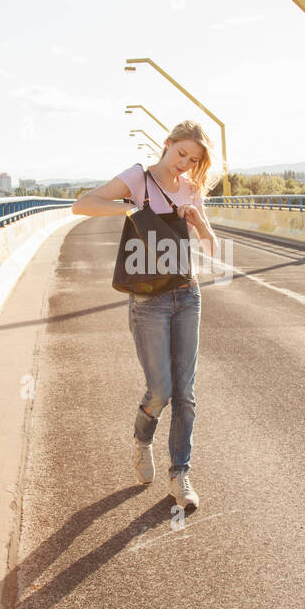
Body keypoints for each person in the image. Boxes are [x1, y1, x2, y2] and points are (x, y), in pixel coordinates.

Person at [71, 121, 220, 509]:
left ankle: (180, 476)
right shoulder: (138, 177)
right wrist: (132, 208)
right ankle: (142, 440)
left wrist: (198, 221)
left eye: (193, 160)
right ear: (166, 145)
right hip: (148, 300)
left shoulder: (190, 188)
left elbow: (212, 246)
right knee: (161, 392)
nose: (184, 164)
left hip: (187, 294)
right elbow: (82, 203)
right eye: (181, 154)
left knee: (185, 395)